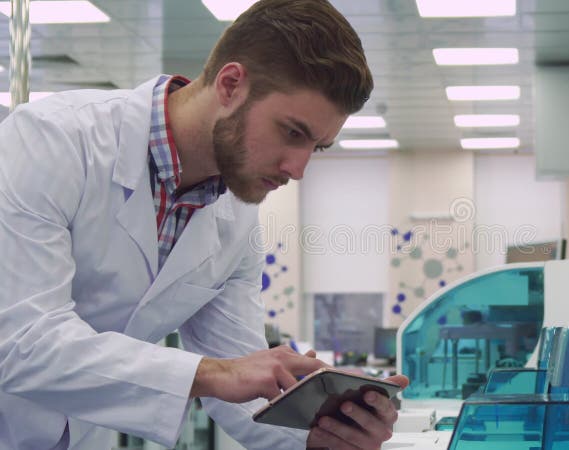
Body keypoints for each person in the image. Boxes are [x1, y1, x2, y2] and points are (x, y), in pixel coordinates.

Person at [0, 0, 408, 448]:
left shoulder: (237, 219)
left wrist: (322, 431)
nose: (298, 168)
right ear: (231, 84)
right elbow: (22, 343)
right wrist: (217, 372)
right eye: (292, 132)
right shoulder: (50, 140)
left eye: (318, 147)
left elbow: (243, 385)